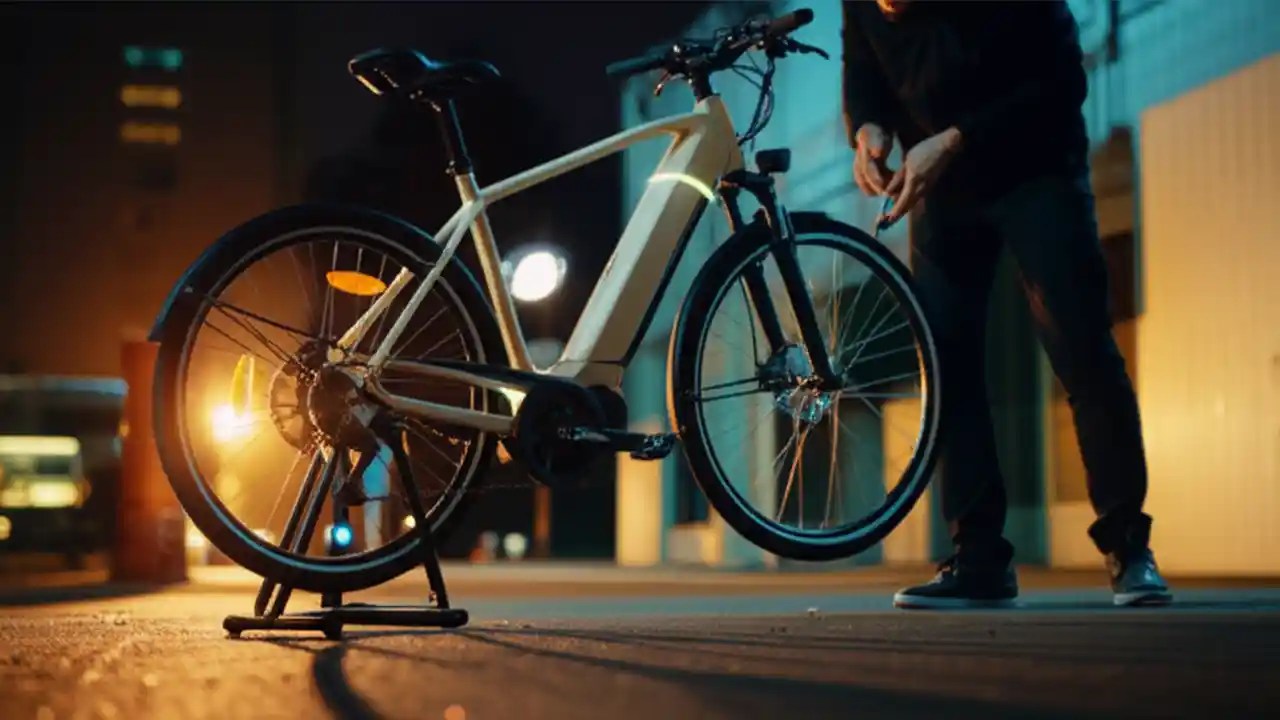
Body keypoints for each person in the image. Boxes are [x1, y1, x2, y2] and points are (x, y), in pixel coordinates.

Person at [842, 0, 1172, 608]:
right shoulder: (864, 4)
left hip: (1036, 170)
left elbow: (1062, 80)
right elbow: (864, 73)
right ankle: (979, 558)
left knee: (1081, 350)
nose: (886, 7)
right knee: (947, 368)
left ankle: (1128, 547)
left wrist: (954, 139)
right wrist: (869, 129)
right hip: (943, 190)